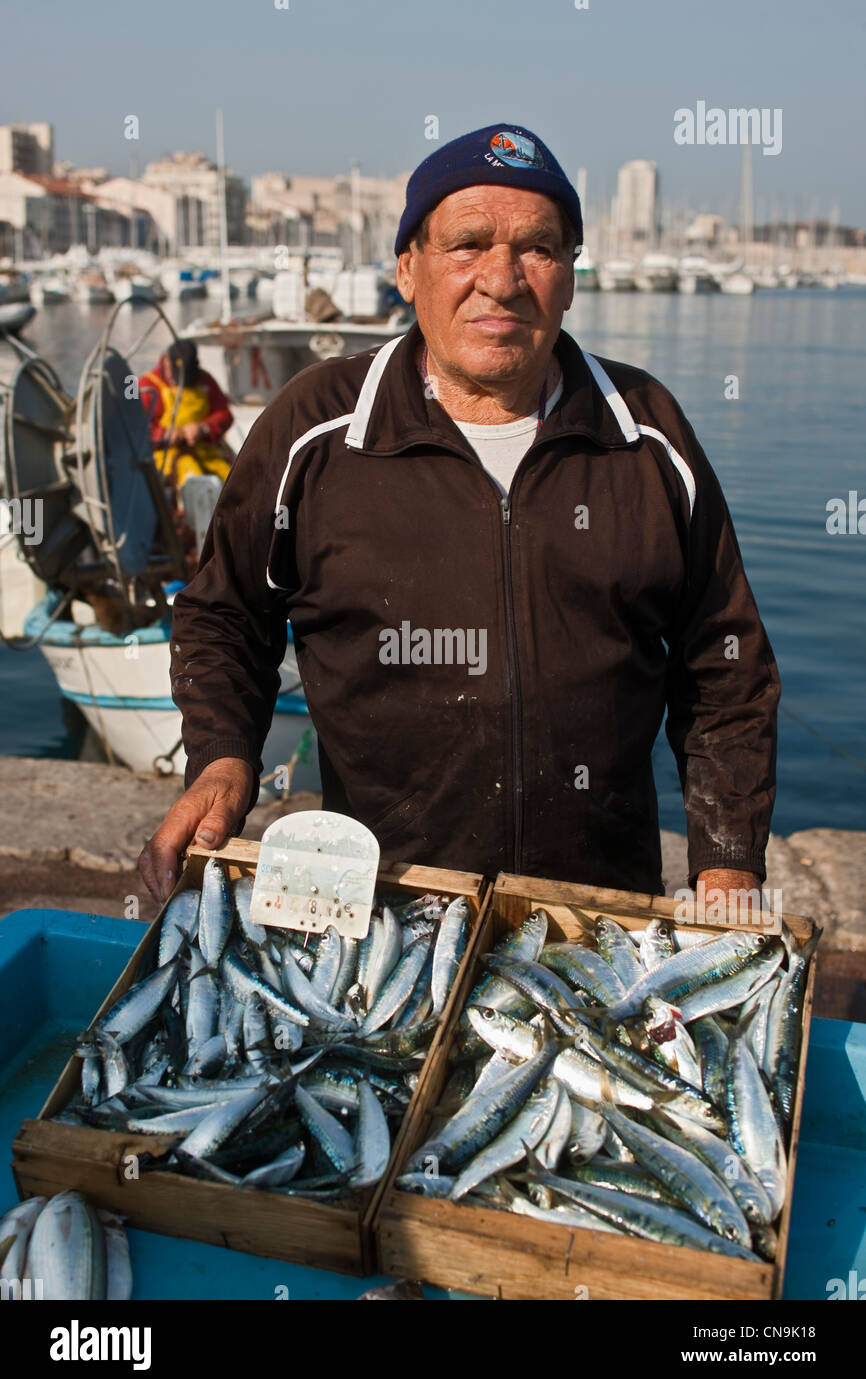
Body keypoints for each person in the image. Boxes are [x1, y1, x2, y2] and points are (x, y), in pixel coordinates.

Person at [139, 123, 780, 916]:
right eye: (468, 244)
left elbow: (725, 661)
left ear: (572, 277)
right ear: (408, 268)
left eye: (538, 249)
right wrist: (223, 757)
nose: (502, 280)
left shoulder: (645, 430)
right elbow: (226, 614)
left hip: (593, 912)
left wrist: (726, 861)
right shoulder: (316, 429)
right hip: (377, 904)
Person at [139, 340, 234, 491]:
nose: (180, 382)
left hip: (207, 452)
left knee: (233, 480)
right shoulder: (147, 386)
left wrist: (204, 429)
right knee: (195, 480)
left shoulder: (205, 379)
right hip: (168, 458)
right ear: (166, 361)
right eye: (176, 376)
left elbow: (225, 415)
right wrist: (164, 435)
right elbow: (137, 431)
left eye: (186, 378)